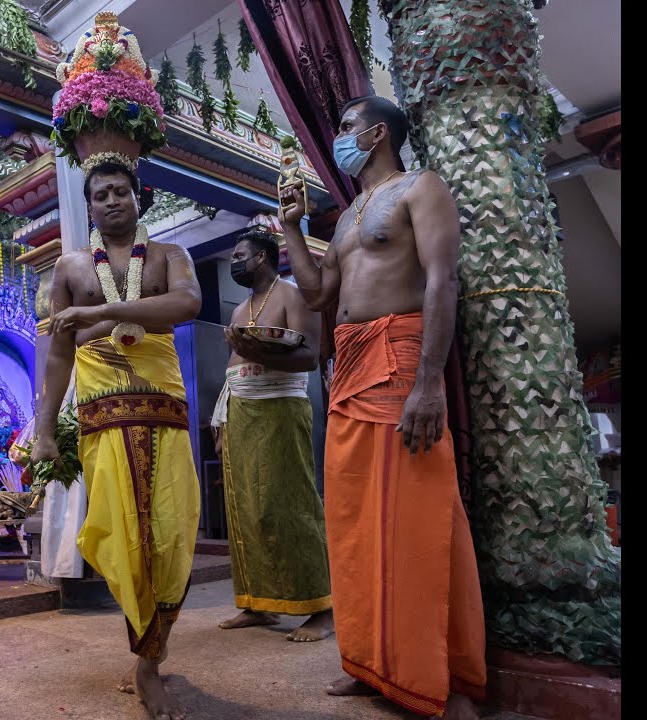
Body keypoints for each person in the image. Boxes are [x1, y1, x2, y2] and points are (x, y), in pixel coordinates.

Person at [278, 95, 485, 720]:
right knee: (353, 522)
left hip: (402, 357)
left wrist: (429, 385)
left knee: (416, 519)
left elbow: (442, 281)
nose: (338, 139)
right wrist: (291, 228)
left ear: (375, 132)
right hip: (349, 367)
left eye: (344, 127)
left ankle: (439, 675)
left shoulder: (421, 188)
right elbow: (318, 296)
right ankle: (370, 661)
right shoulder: (344, 219)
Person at [32, 160, 201, 720]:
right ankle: (149, 665)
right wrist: (43, 431)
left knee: (171, 533)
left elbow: (186, 305)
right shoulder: (70, 267)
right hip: (102, 413)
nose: (110, 200)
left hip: (163, 408)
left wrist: (102, 313)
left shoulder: (169, 256)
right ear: (89, 207)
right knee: (125, 538)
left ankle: (152, 653)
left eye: (120, 191)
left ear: (137, 198)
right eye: (100, 194)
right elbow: (59, 350)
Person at [209, 229, 334, 642]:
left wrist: (257, 351)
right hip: (240, 410)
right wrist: (222, 417)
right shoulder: (240, 309)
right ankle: (257, 604)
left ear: (262, 257)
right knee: (247, 510)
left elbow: (309, 356)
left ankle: (321, 609)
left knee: (290, 504)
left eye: (240, 256)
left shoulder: (291, 295)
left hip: (280, 407)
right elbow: (234, 363)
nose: (235, 263)